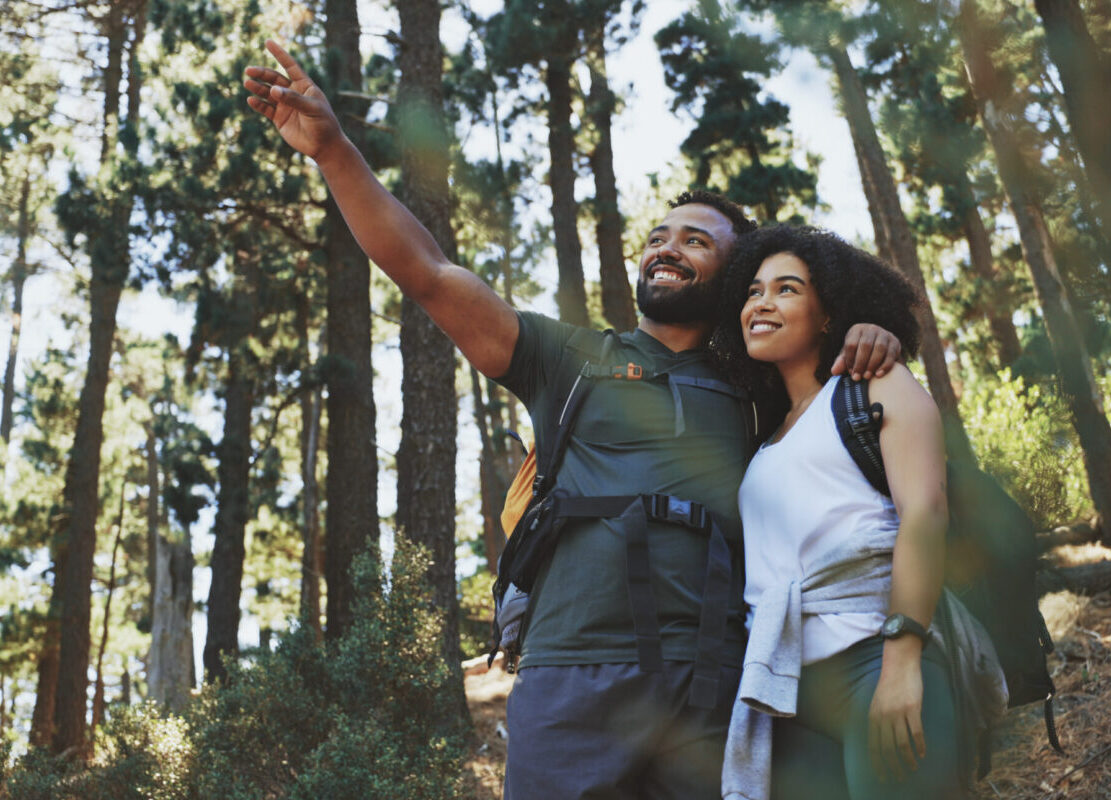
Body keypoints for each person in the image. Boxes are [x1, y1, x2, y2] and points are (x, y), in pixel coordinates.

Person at [244, 41, 903, 800]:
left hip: (712, 679)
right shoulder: (570, 358)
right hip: (570, 672)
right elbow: (426, 271)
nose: (667, 248)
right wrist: (332, 150)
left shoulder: (759, 381)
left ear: (735, 276)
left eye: (696, 240)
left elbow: (846, 429)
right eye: (659, 235)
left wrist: (869, 334)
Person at [712, 225, 965, 800]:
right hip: (788, 695)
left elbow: (925, 512)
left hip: (874, 661)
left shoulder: (873, 384)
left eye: (787, 289)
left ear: (828, 315)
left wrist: (902, 663)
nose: (762, 303)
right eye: (753, 291)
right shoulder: (765, 434)